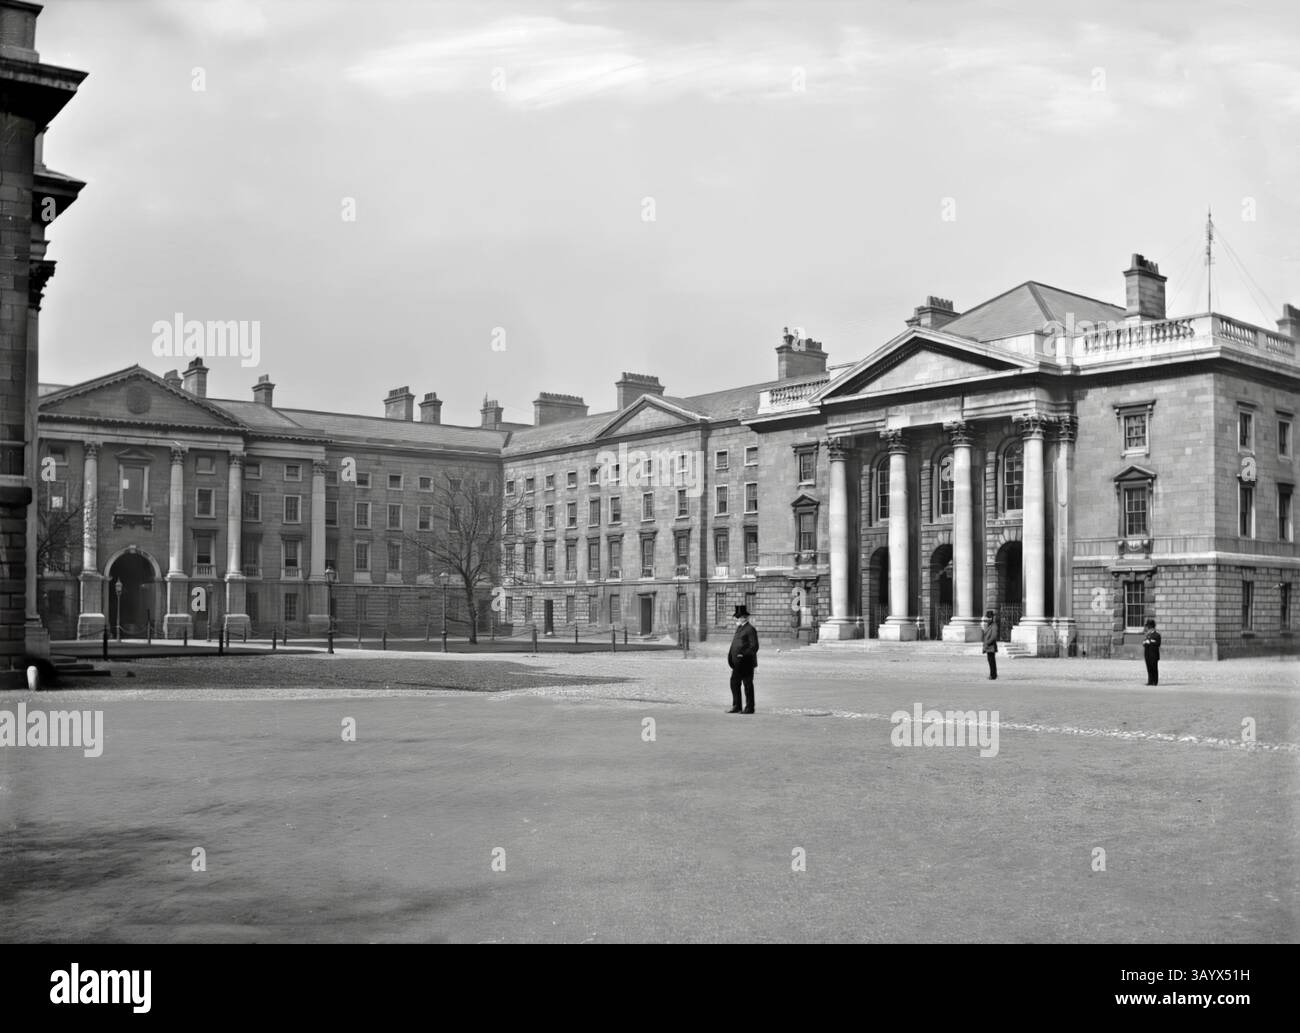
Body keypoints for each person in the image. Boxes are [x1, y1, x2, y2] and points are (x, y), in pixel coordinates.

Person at [727, 604, 759, 714]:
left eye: (740, 617)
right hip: (737, 663)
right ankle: (737, 706)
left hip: (746, 662)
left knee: (747, 684)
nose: (738, 619)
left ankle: (750, 707)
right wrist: (731, 656)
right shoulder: (740, 628)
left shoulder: (750, 629)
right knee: (734, 683)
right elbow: (735, 643)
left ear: (745, 617)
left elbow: (754, 646)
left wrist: (743, 655)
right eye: (738, 617)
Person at [1142, 618, 1161, 685]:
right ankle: (1150, 681)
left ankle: (1155, 682)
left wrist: (1150, 642)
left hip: (1154, 654)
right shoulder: (1147, 635)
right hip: (1147, 654)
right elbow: (1144, 643)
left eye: (1148, 627)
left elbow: (1158, 644)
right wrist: (1145, 642)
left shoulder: (1157, 635)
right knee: (1149, 668)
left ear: (1152, 627)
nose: (1148, 629)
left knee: (1154, 668)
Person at [981, 610, 998, 680]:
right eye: (988, 618)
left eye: (990, 617)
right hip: (988, 647)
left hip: (991, 646)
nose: (989, 619)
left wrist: (987, 642)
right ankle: (992, 674)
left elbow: (994, 636)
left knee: (992, 662)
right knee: (990, 661)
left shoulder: (994, 625)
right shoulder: (988, 625)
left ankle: (993, 675)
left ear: (992, 618)